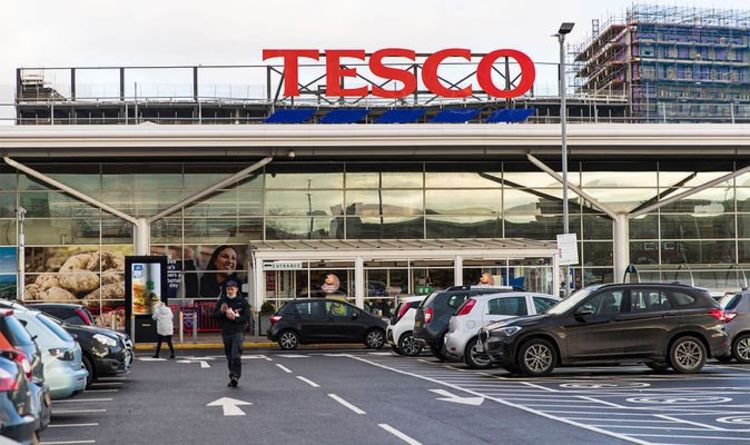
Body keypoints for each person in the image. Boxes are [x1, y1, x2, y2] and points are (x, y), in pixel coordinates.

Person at [213, 280, 249, 388]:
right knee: (229, 355)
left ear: (236, 290)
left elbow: (246, 318)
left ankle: (235, 376)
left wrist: (235, 318)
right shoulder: (222, 301)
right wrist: (221, 311)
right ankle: (232, 375)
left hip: (238, 331)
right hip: (226, 331)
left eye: (232, 289)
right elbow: (215, 316)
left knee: (235, 354)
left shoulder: (242, 302)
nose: (230, 291)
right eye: (228, 289)